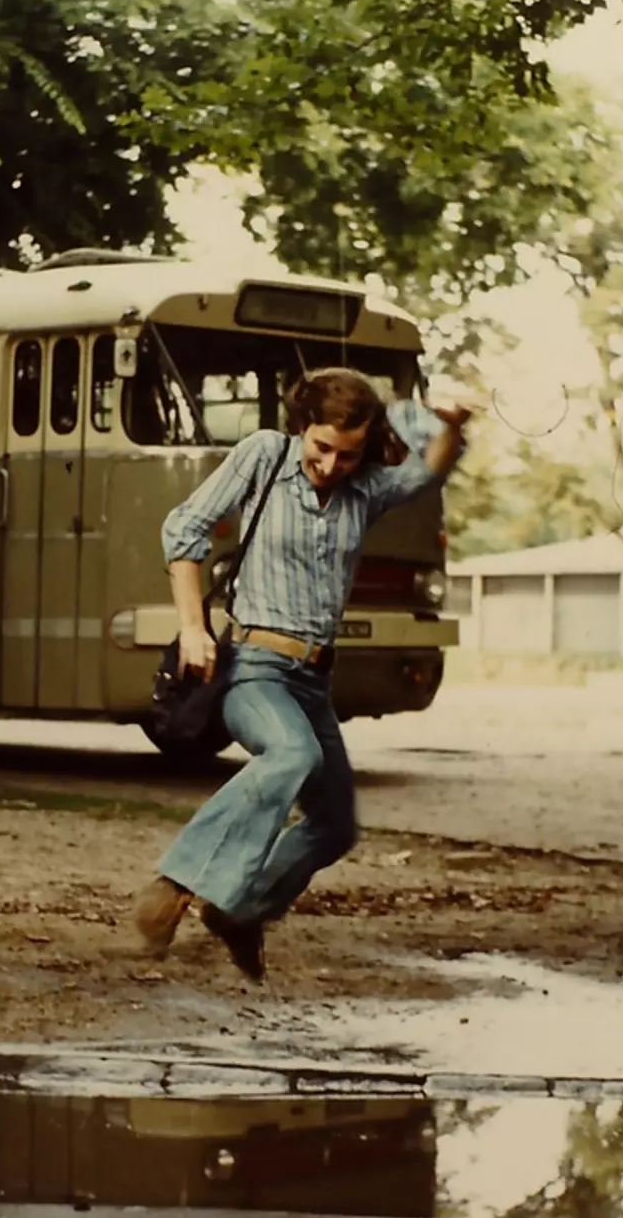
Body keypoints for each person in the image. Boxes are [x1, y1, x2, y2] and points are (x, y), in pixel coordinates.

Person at [132, 365, 472, 981]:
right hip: (255, 672)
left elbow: (428, 471)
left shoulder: (364, 490)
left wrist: (448, 423)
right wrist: (191, 627)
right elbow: (183, 529)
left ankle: (240, 911)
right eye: (321, 448)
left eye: (347, 454)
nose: (330, 465)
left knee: (335, 825)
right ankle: (178, 880)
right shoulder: (264, 457)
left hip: (314, 682)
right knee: (292, 756)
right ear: (301, 427)